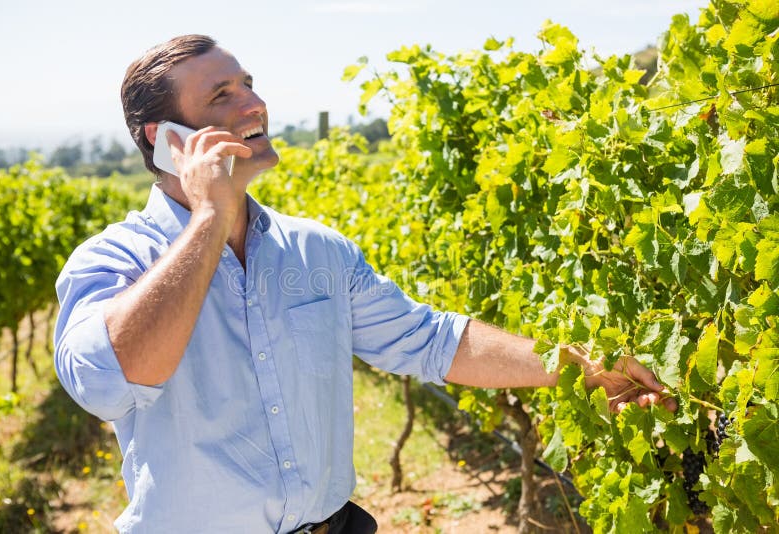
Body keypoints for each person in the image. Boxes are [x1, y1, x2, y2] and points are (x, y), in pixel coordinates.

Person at [53, 34, 675, 534]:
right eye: (221, 95)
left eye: (249, 83)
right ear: (166, 142)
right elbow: (105, 383)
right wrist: (210, 216)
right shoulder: (113, 262)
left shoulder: (315, 249)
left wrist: (581, 367)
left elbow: (432, 341)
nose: (253, 105)